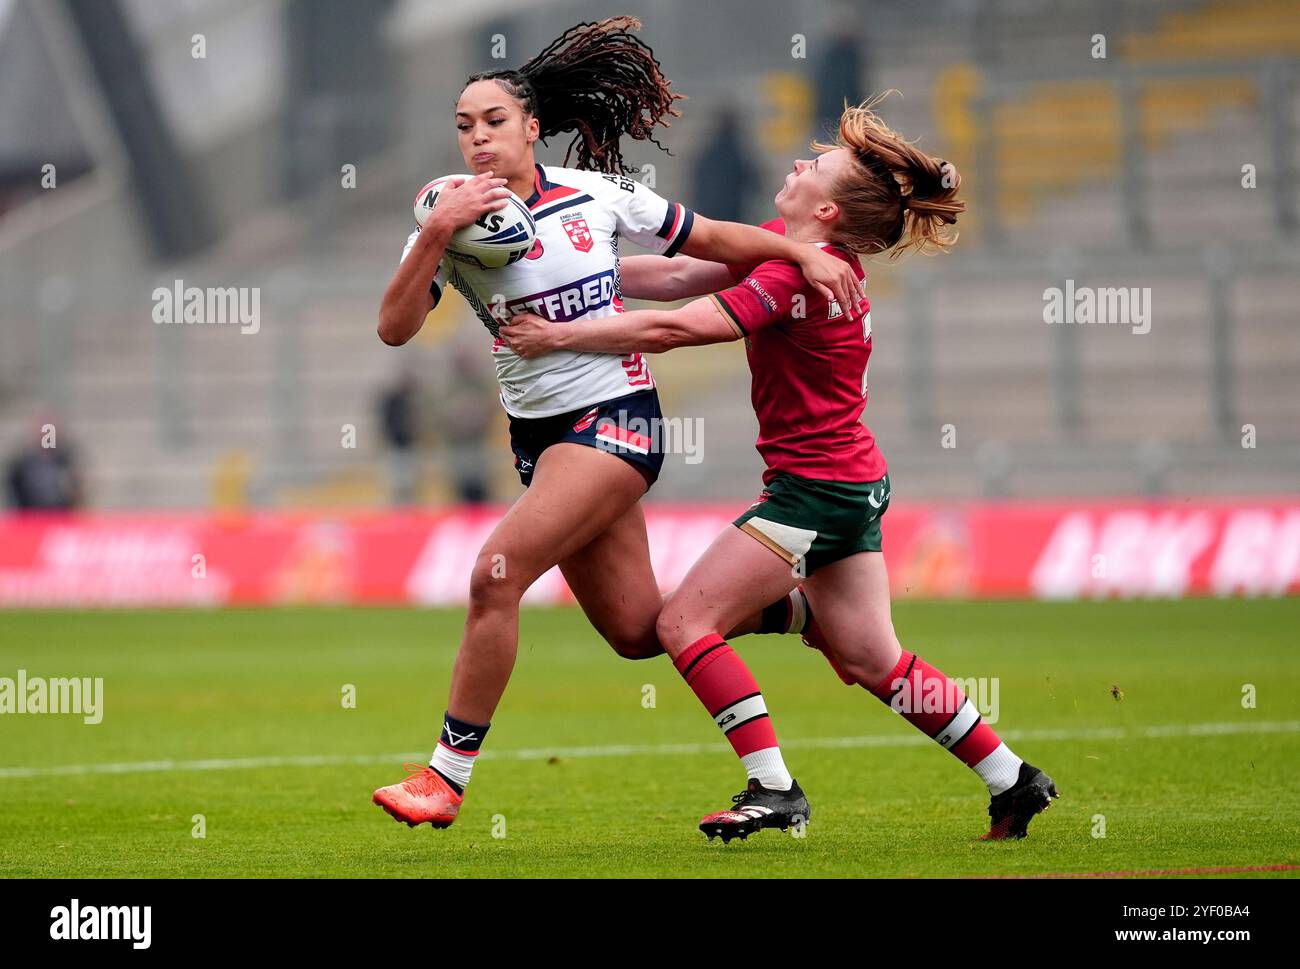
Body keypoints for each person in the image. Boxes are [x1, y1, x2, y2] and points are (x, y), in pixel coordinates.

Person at [501, 98, 1060, 842]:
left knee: (683, 622)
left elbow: (673, 328)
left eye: (814, 165)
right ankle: (1012, 777)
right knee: (869, 655)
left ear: (826, 208)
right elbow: (669, 281)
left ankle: (774, 789)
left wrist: (558, 334)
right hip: (852, 483)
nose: (797, 162)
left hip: (814, 493)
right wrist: (551, 267)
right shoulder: (790, 252)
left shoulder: (794, 279)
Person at [371, 17, 865, 830]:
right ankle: (801, 620)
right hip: (540, 441)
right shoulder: (448, 223)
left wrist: (802, 254)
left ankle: (444, 778)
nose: (478, 138)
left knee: (494, 573)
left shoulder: (595, 195)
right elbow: (394, 329)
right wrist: (429, 235)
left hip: (615, 425)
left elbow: (702, 242)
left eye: (494, 121)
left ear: (532, 126)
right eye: (464, 126)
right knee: (643, 631)